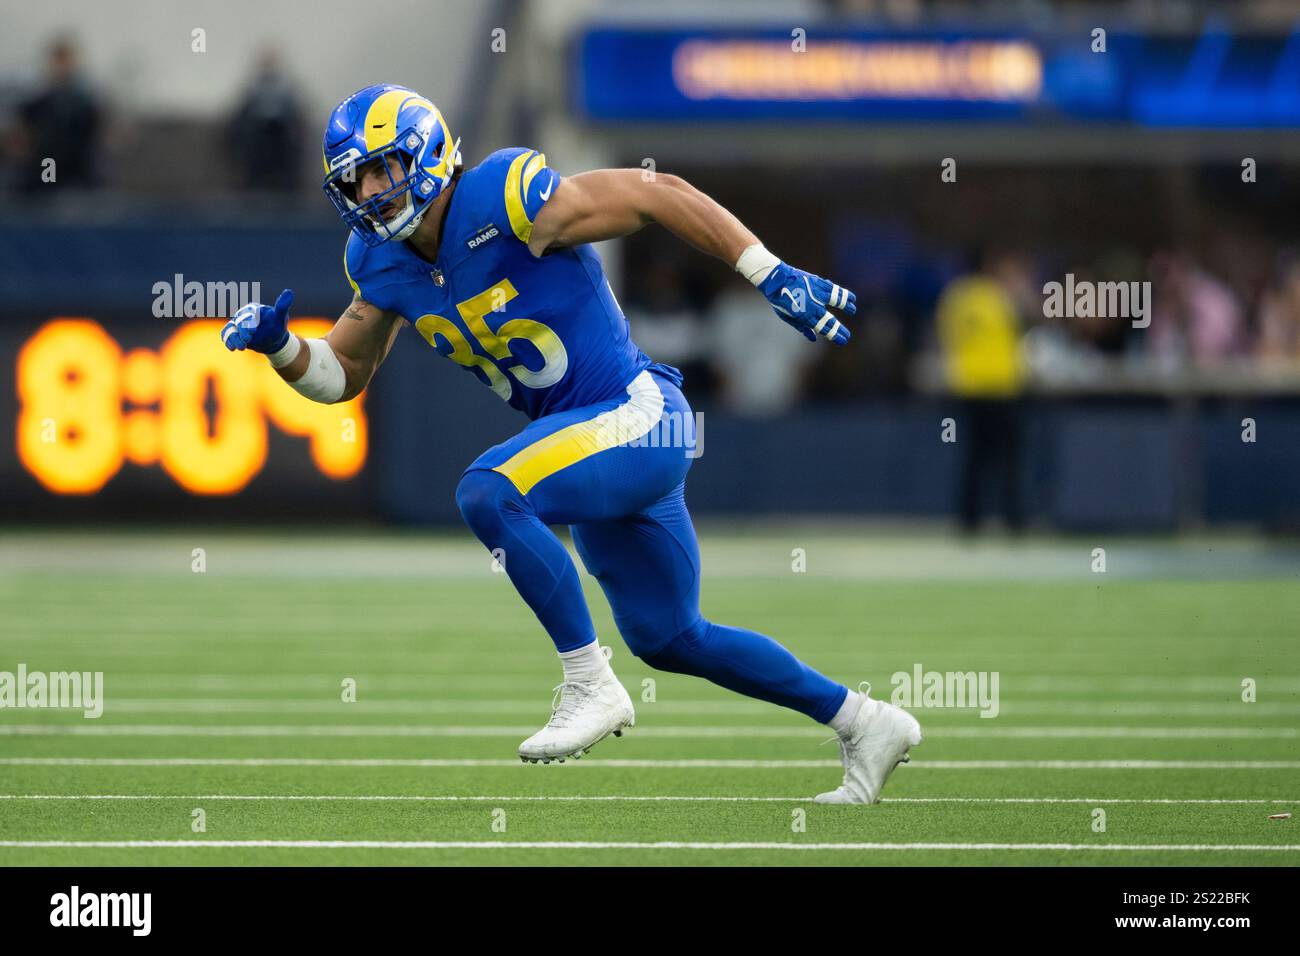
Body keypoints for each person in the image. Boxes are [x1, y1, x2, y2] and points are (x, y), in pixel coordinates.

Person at [220, 84, 919, 803]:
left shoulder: (501, 195)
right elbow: (344, 374)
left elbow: (657, 192)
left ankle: (589, 682)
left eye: (381, 168)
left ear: (426, 152)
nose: (369, 191)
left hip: (637, 413)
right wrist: (282, 349)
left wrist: (767, 272)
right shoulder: (379, 263)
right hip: (592, 447)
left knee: (489, 490)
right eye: (355, 180)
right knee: (672, 637)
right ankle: (865, 722)